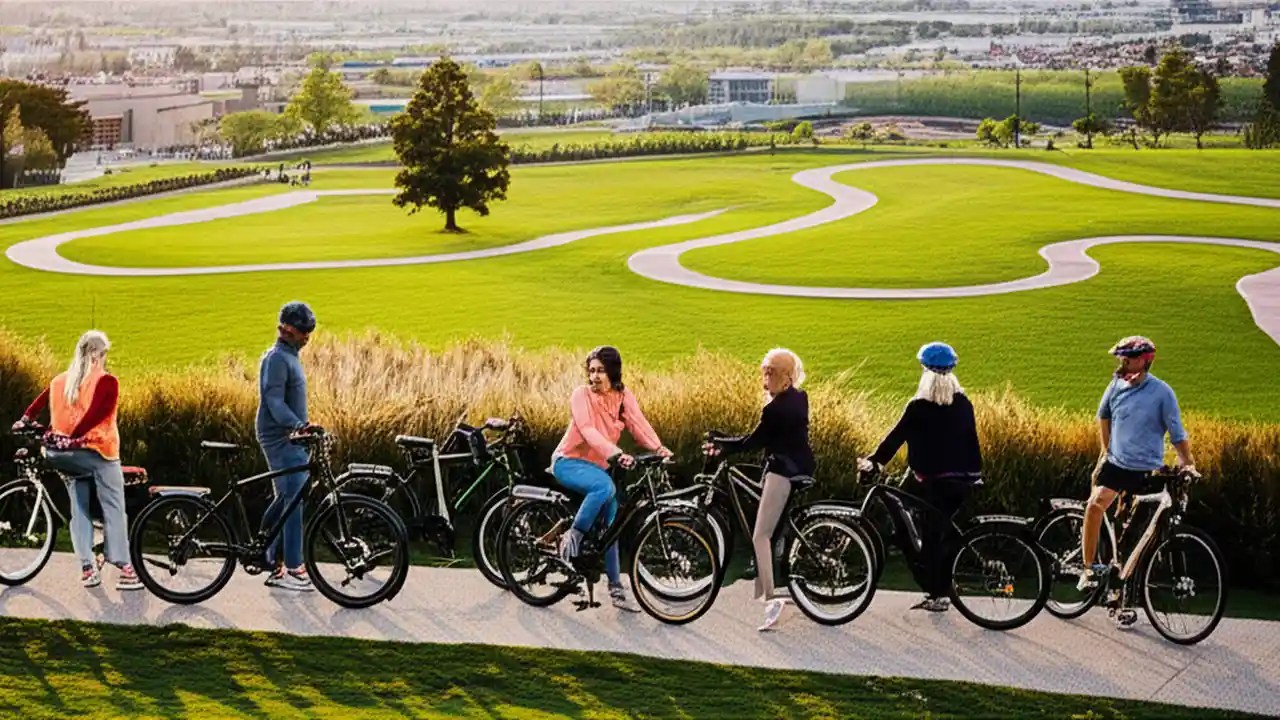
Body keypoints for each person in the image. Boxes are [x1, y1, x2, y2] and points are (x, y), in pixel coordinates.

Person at [858, 342, 982, 613]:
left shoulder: (919, 407)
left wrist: (873, 461)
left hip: (934, 483)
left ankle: (938, 593)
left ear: (925, 373)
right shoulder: (963, 404)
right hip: (962, 481)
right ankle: (932, 577)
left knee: (926, 538)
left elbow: (893, 439)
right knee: (926, 520)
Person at [14, 330, 141, 590]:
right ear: (97, 354)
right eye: (104, 354)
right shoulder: (107, 382)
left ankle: (87, 568)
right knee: (114, 505)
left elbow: (34, 409)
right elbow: (95, 416)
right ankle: (125, 569)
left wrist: (27, 422)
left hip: (58, 455)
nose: (106, 359)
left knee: (79, 509)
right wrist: (74, 438)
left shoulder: (61, 380)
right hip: (97, 453)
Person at [1077, 337, 1196, 610]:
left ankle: (1123, 595)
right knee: (1095, 506)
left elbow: (1177, 434)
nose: (1123, 363)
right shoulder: (1116, 385)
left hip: (1145, 471)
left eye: (1128, 358)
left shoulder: (1162, 393)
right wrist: (1105, 451)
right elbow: (1103, 415)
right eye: (1122, 358)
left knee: (1136, 537)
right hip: (1116, 465)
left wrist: (1188, 462)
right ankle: (1088, 568)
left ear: (1144, 361)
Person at [550, 346, 672, 612]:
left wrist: (658, 448)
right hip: (568, 462)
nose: (594, 376)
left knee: (612, 526)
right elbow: (588, 429)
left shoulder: (622, 396)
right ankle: (573, 540)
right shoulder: (580, 395)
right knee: (604, 487)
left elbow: (638, 424)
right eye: (591, 371)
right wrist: (616, 453)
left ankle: (616, 588)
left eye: (600, 371)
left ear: (613, 372)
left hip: (598, 467)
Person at [704, 348, 814, 632]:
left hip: (784, 470)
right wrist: (726, 443)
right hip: (798, 465)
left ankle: (770, 598)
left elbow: (751, 442)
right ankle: (770, 586)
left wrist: (722, 445)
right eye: (764, 371)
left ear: (787, 378)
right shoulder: (799, 398)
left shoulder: (775, 408)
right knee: (768, 521)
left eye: (772, 372)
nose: (766, 377)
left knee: (760, 535)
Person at [256, 301, 318, 591]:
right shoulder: (277, 359)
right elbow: (274, 402)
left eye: (310, 331)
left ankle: (267, 554)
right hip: (279, 436)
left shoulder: (290, 356)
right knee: (293, 498)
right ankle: (293, 567)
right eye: (303, 331)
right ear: (287, 329)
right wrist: (297, 425)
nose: (307, 337)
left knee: (288, 495)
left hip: (292, 434)